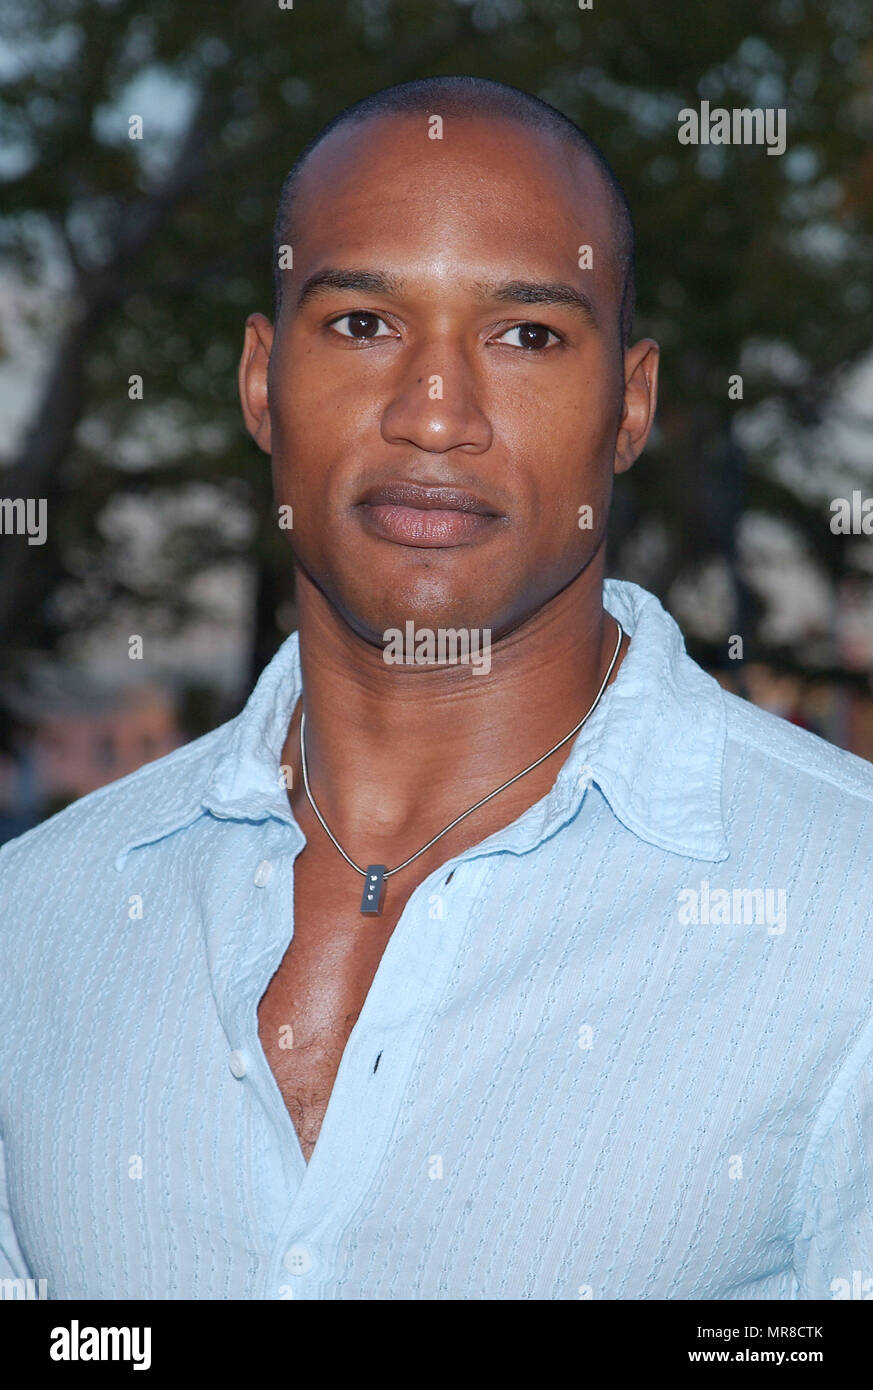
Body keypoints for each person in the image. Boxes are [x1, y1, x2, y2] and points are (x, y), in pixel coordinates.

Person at [1, 76, 872, 1302]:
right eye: (364, 322)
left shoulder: (847, 917)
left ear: (630, 407)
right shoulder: (35, 926)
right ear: (261, 379)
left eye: (527, 335)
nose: (434, 413)